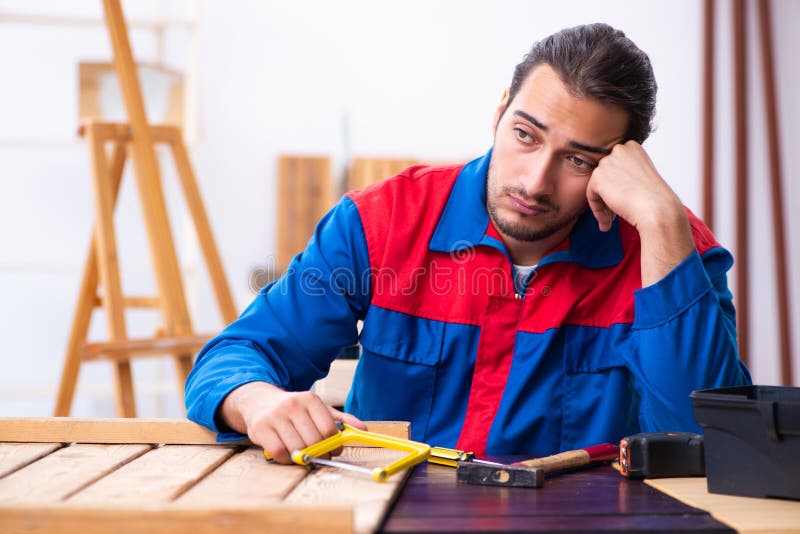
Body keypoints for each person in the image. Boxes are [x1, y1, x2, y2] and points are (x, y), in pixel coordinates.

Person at [185, 23, 751, 463]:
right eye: (525, 135)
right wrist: (256, 400)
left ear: (624, 163)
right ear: (500, 110)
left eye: (578, 160)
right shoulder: (381, 222)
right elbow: (233, 359)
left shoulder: (671, 250)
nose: (533, 182)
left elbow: (712, 444)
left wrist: (661, 220)